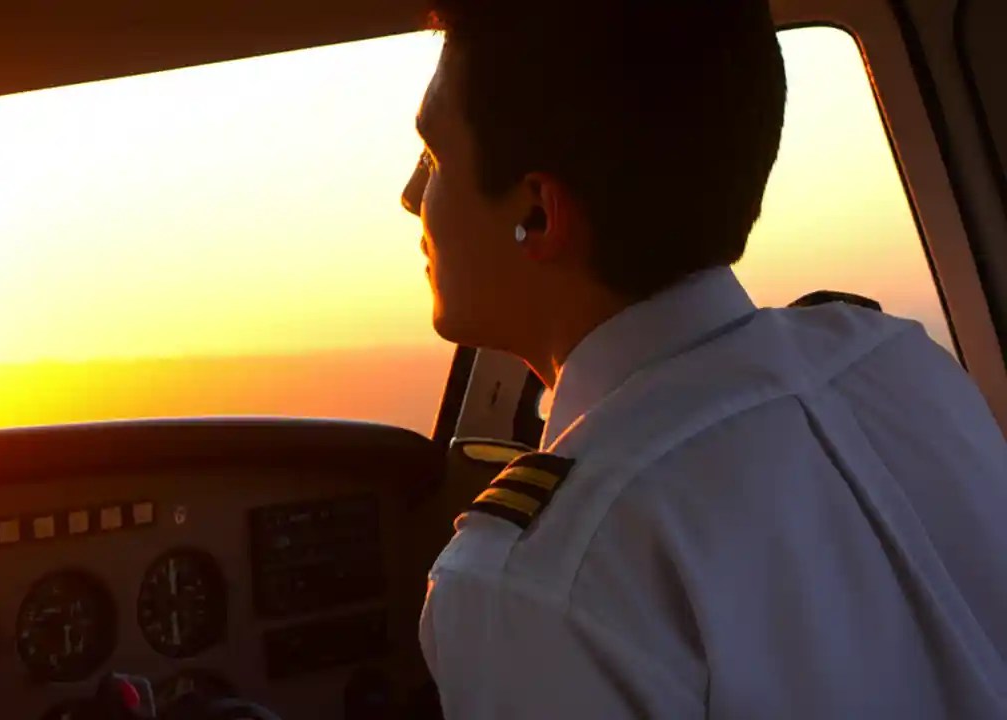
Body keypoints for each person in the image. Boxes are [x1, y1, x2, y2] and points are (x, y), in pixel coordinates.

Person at [399, 0, 1007, 717]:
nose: (412, 198)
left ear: (537, 214)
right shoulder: (904, 367)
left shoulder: (537, 582)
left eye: (434, 157)